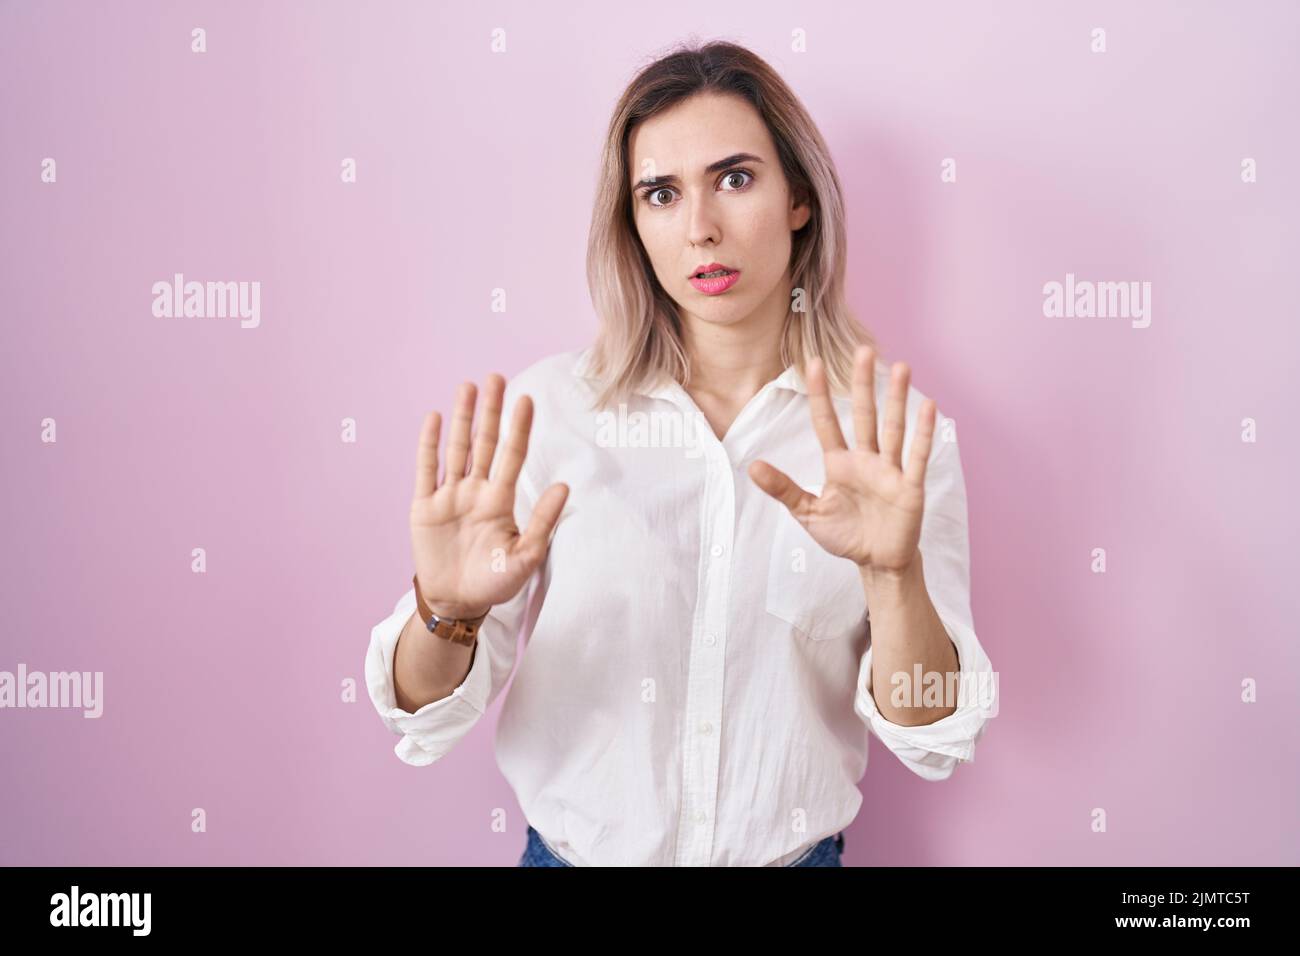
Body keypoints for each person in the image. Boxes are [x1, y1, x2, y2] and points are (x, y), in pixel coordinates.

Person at [365, 39, 996, 867]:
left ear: (799, 198)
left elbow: (932, 735)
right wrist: (449, 609)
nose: (700, 228)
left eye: (735, 179)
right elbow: (420, 711)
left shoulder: (892, 439)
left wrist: (892, 577)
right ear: (633, 223)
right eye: (661, 194)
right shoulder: (551, 413)